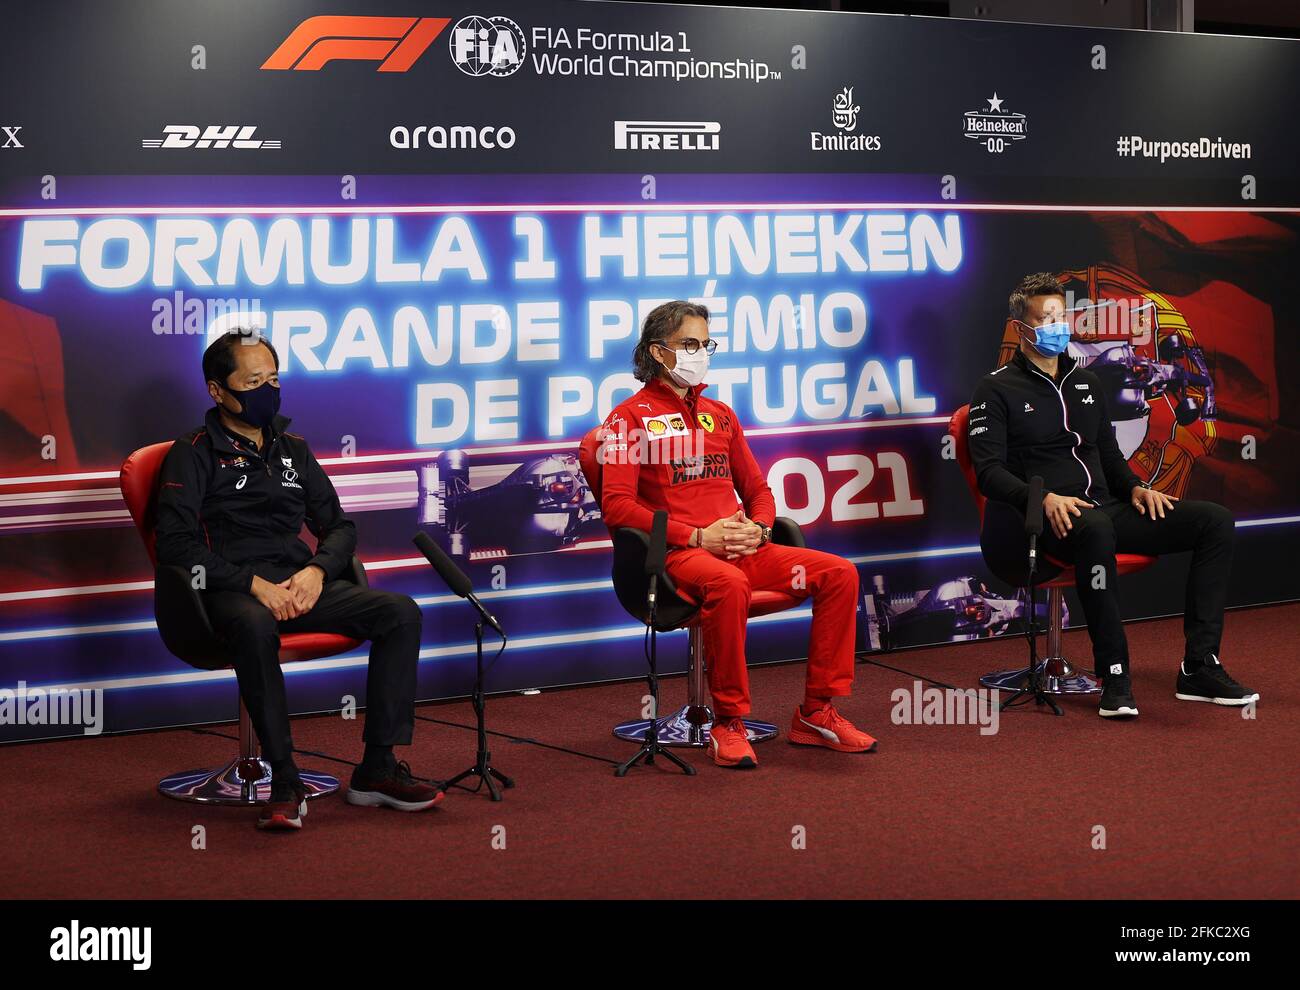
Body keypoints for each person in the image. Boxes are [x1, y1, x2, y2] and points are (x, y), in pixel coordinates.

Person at [155, 328, 444, 830]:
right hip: (225, 594)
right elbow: (177, 545)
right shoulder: (193, 452)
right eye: (252, 381)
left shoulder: (293, 449)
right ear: (217, 390)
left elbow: (339, 528)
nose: (266, 390)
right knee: (253, 626)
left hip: (299, 586)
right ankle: (284, 779)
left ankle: (376, 769)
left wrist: (315, 571)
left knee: (399, 612)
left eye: (273, 378)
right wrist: (253, 586)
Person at [598, 301, 876, 768]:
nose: (701, 352)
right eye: (690, 343)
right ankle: (728, 721)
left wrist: (760, 528)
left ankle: (816, 712)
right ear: (657, 352)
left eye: (706, 343)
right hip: (676, 556)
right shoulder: (626, 418)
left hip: (744, 547)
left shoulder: (720, 414)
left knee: (840, 573)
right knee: (730, 584)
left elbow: (759, 491)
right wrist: (697, 538)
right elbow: (617, 506)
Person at [968, 272, 1258, 718]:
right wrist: (1042, 500)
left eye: (1061, 316)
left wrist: (1137, 489)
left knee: (1213, 521)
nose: (1056, 326)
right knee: (1097, 528)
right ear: (1022, 328)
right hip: (1045, 520)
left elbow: (1107, 455)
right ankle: (1115, 674)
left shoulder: (1087, 384)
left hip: (1106, 507)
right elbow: (989, 473)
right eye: (1046, 319)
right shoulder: (996, 388)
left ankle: (1200, 665)